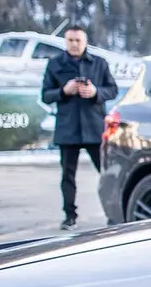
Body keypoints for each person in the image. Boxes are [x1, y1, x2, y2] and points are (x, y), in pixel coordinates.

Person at [40, 24, 117, 229]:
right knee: (67, 175)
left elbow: (112, 90)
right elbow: (46, 95)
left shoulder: (99, 64)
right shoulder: (55, 64)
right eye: (70, 41)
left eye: (78, 41)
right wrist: (64, 91)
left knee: (107, 172)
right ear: (66, 42)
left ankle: (115, 212)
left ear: (85, 42)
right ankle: (70, 216)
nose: (74, 44)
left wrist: (95, 92)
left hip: (94, 127)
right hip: (68, 128)